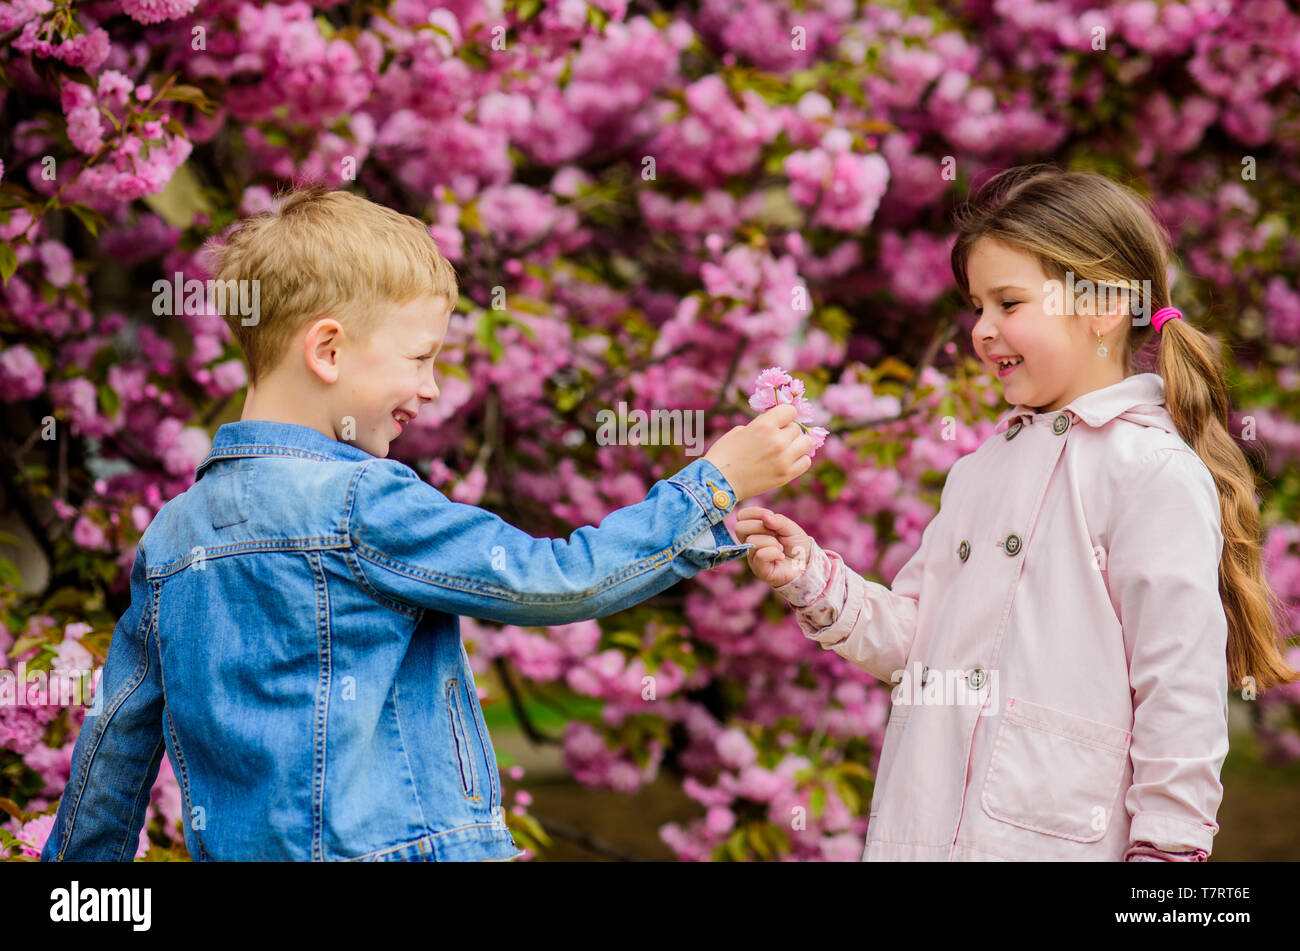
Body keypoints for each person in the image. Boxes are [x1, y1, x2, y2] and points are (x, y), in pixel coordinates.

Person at [40, 184, 812, 862]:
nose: (434, 388)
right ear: (329, 350)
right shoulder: (367, 501)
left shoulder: (172, 535)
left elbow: (115, 739)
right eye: (420, 358)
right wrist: (712, 486)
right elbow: (556, 581)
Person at [736, 164, 1298, 862]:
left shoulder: (1148, 472)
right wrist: (814, 577)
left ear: (1102, 306)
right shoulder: (977, 470)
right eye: (977, 306)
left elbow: (1178, 689)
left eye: (1008, 302)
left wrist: (1168, 856)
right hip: (922, 836)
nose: (982, 330)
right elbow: (918, 643)